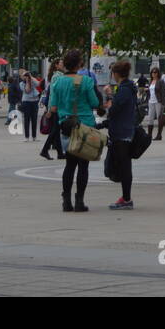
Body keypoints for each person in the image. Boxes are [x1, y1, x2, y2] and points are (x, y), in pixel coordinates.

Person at [52, 49, 100, 212]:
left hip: (66, 125)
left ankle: (66, 200)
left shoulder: (57, 82)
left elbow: (53, 106)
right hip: (85, 126)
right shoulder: (86, 81)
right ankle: (79, 201)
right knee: (83, 165)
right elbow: (94, 102)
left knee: (69, 164)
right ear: (80, 64)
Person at [104, 59, 137, 210]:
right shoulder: (129, 88)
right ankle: (126, 197)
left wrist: (110, 96)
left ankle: (126, 198)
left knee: (124, 166)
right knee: (125, 166)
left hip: (121, 132)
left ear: (116, 73)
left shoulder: (123, 90)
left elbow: (114, 110)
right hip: (126, 130)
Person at [145, 67, 165, 140]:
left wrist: (163, 103)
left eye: (155, 72)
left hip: (158, 102)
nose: (154, 74)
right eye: (153, 72)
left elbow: (163, 93)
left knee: (159, 118)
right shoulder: (150, 81)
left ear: (158, 73)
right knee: (150, 118)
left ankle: (159, 135)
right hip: (151, 101)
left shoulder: (161, 81)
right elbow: (150, 92)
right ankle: (149, 135)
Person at [19, 70, 41, 141]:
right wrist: (28, 81)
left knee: (34, 119)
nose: (26, 76)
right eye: (24, 75)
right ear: (22, 77)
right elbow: (27, 90)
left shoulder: (32, 81)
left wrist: (31, 77)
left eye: (26, 75)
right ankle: (27, 137)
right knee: (27, 119)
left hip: (34, 102)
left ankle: (34, 137)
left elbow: (38, 84)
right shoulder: (21, 84)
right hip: (26, 102)